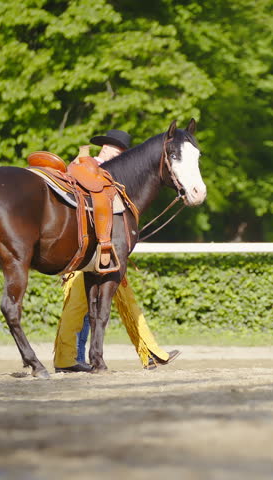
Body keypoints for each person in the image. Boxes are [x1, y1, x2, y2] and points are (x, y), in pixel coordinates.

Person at [53, 129, 180, 373]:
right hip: (90, 254)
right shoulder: (91, 171)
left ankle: (149, 351)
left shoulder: (113, 175)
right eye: (113, 148)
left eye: (120, 150)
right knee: (79, 306)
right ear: (105, 148)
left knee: (126, 302)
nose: (116, 152)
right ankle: (67, 357)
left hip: (109, 253)